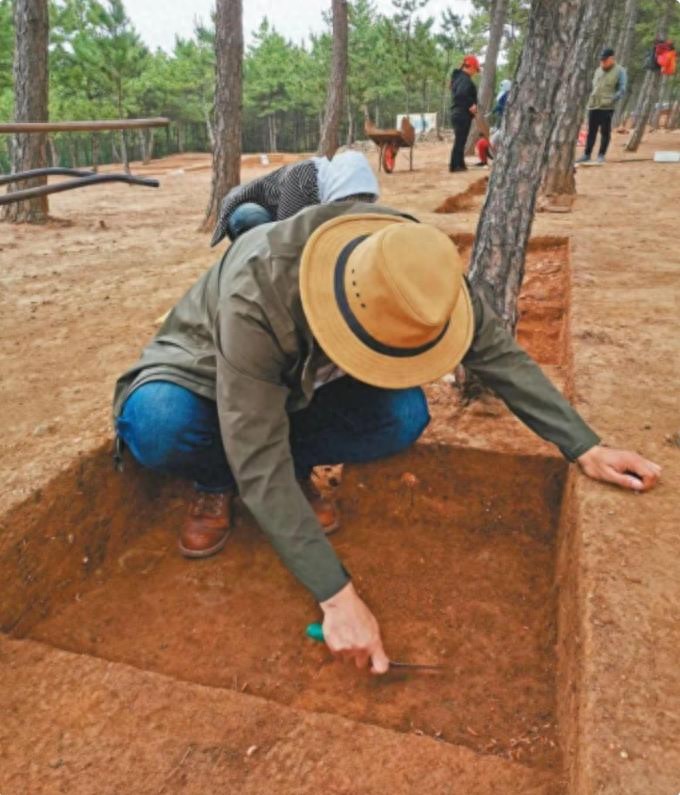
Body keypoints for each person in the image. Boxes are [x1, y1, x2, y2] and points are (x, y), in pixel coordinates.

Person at [113, 203, 661, 673]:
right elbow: (255, 454)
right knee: (159, 423)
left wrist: (583, 445)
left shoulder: (414, 266)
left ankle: (296, 466)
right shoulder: (257, 294)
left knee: (400, 416)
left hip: (295, 393)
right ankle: (213, 479)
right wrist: (337, 598)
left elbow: (500, 357)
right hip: (207, 378)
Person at [210, 150, 379, 246]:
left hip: (284, 217)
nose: (358, 204)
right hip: (251, 210)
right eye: (353, 198)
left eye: (365, 198)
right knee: (276, 240)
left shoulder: (330, 193)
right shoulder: (303, 178)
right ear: (340, 188)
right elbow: (286, 231)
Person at [577, 47, 627, 165]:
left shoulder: (620, 71)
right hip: (593, 105)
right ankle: (587, 154)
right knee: (591, 132)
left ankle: (601, 155)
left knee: (605, 131)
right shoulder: (598, 70)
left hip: (607, 107)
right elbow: (594, 87)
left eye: (605, 60)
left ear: (612, 59)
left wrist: (612, 99)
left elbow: (622, 89)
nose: (603, 62)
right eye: (602, 60)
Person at [449, 55, 480, 173]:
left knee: (461, 140)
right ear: (470, 67)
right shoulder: (465, 79)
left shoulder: (458, 78)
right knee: (460, 140)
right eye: (475, 70)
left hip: (458, 114)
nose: (475, 73)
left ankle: (460, 164)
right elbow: (461, 95)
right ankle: (455, 165)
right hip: (461, 114)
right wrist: (471, 105)